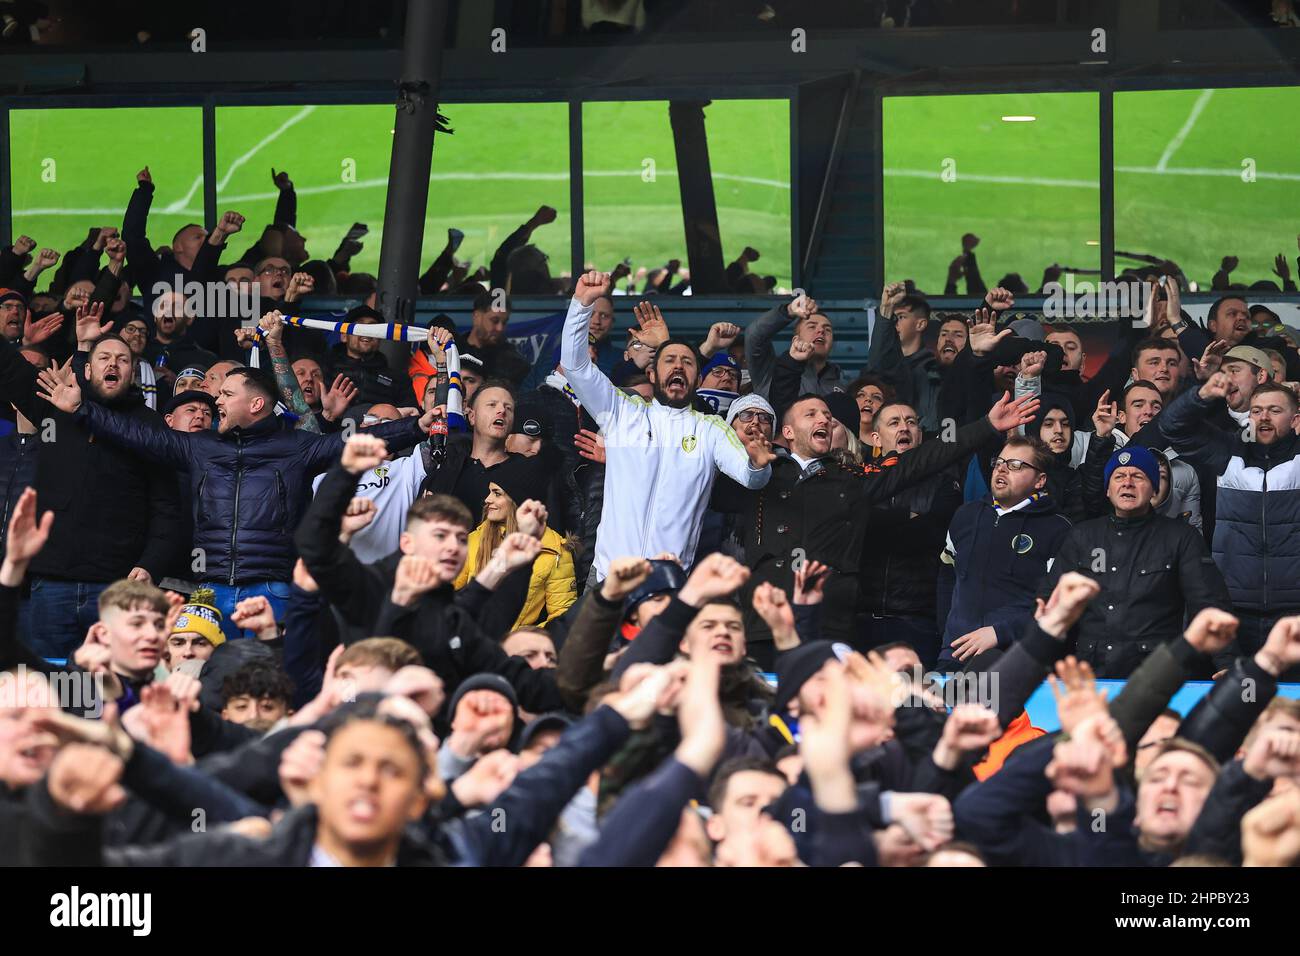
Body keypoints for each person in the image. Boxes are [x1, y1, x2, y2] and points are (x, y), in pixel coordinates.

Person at [34, 360, 438, 640]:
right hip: (208, 592)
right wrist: (82, 409)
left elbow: (356, 441)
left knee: (271, 683)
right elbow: (140, 436)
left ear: (256, 404)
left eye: (226, 394)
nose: (216, 402)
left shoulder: (298, 448)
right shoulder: (200, 448)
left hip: (275, 590)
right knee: (208, 684)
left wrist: (415, 427)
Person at [560, 271, 775, 583]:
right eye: (669, 360)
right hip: (608, 579)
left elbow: (751, 477)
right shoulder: (622, 411)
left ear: (698, 381)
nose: (677, 366)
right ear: (651, 375)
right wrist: (581, 305)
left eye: (687, 363)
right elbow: (576, 366)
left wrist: (757, 464)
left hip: (668, 585)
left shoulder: (711, 429)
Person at [0, 330, 181, 656]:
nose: (113, 364)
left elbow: (167, 505)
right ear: (86, 369)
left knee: (114, 688)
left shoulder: (149, 424)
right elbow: (9, 367)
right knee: (50, 689)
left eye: (123, 359)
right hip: (50, 582)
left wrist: (152, 563)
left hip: (117, 587)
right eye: (104, 357)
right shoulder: (54, 404)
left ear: (132, 372)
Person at [1038, 445, 1230, 678]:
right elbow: (1050, 603)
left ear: (1154, 489)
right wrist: (1036, 660)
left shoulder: (1181, 537)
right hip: (1090, 673)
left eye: (1138, 476)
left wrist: (1225, 661)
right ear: (1108, 490)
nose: (1127, 482)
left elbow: (1208, 603)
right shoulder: (1082, 536)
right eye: (1119, 476)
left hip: (1155, 674)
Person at [1162, 374, 1300, 661]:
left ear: (1295, 419)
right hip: (1234, 608)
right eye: (1257, 410)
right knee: (1236, 698)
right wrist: (1201, 395)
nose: (1264, 417)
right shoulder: (1227, 450)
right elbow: (1171, 426)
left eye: (1275, 411)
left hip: (1294, 611)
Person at [936, 435, 1073, 672]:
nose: (1002, 469)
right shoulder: (965, 515)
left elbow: (1060, 607)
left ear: (1040, 480)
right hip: (954, 654)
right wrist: (948, 633)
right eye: (999, 462)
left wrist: (1000, 633)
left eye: (1016, 465)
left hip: (1018, 660)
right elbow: (947, 577)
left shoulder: (1058, 529)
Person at [855, 402, 964, 665]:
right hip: (859, 618)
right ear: (876, 438)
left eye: (911, 422)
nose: (904, 427)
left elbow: (932, 534)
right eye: (894, 422)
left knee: (915, 702)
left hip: (917, 620)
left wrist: (878, 524)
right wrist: (906, 517)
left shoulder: (943, 482)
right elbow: (855, 528)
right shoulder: (859, 480)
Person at [452, 464, 577, 630]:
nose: (487, 499)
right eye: (489, 492)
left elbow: (563, 615)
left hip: (513, 651)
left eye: (497, 493)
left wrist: (523, 640)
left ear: (518, 500)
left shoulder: (554, 549)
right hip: (469, 642)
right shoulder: (474, 539)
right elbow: (445, 592)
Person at [744, 293, 847, 400]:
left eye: (827, 329)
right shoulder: (770, 372)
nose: (821, 331)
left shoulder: (842, 385)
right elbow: (754, 335)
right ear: (795, 339)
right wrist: (789, 311)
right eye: (812, 326)